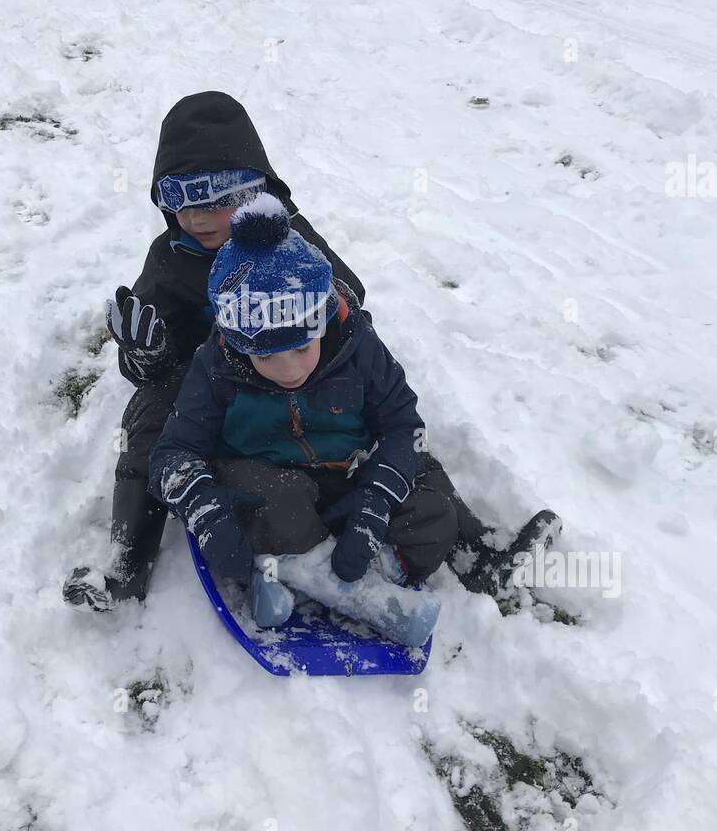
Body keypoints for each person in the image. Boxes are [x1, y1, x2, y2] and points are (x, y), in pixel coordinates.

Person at [149, 197, 560, 639]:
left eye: (303, 347)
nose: (290, 370)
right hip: (273, 485)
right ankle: (334, 583)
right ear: (235, 339)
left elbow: (404, 426)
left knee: (434, 511)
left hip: (349, 479)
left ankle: (339, 570)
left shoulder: (357, 346)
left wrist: (375, 502)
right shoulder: (216, 366)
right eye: (266, 356)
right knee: (272, 502)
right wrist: (205, 509)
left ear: (323, 320)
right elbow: (174, 452)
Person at [62, 92, 366, 612]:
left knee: (385, 412)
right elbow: (150, 364)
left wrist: (323, 305)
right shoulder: (170, 260)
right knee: (151, 416)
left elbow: (350, 298)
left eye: (219, 196)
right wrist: (147, 354)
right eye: (181, 196)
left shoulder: (289, 240)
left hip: (297, 372)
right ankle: (127, 563)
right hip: (213, 389)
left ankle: (474, 543)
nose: (199, 215)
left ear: (257, 192)